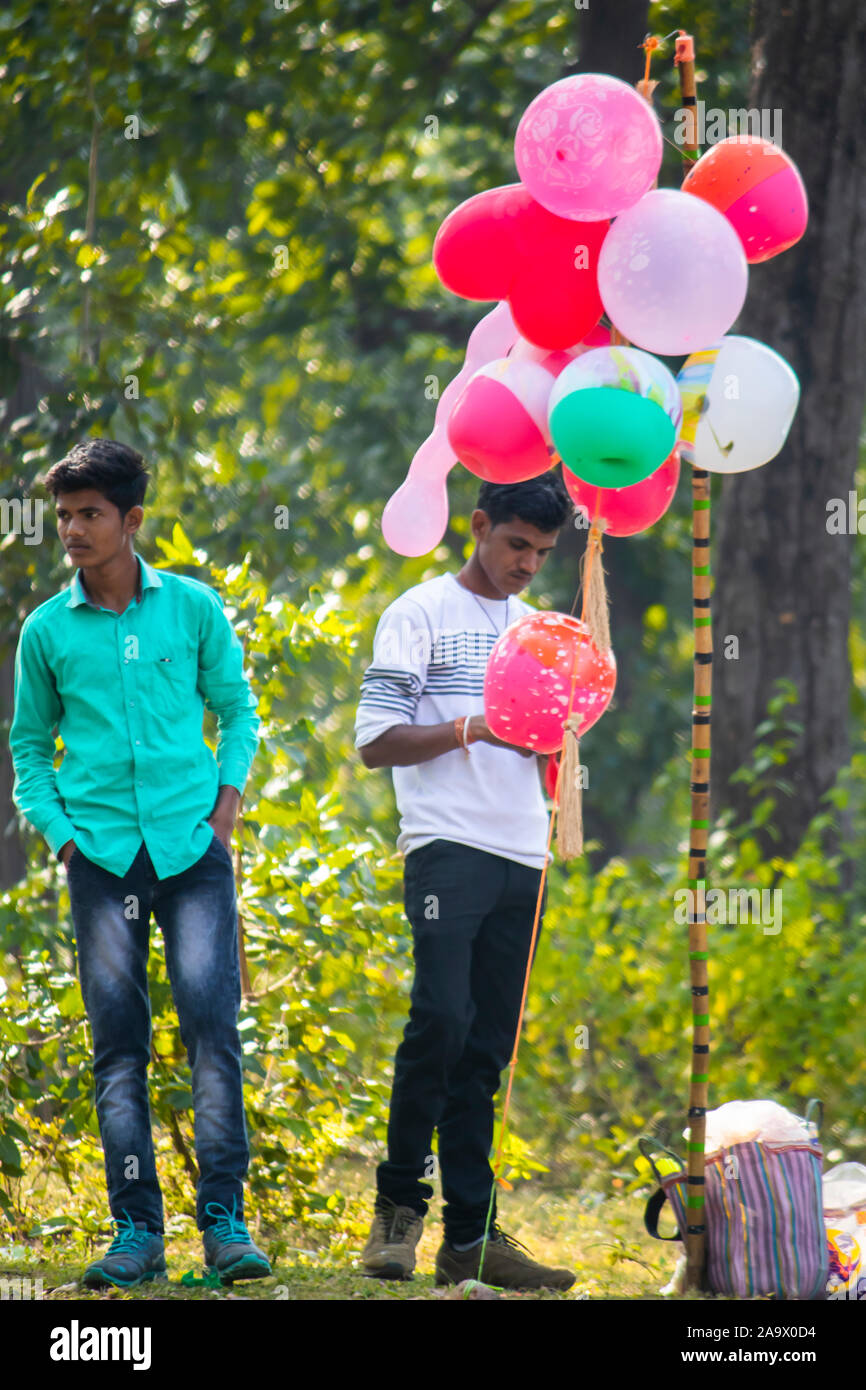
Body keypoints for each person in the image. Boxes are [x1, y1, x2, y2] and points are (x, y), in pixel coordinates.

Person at [9, 438, 270, 1289]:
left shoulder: (191, 609)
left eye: (91, 514)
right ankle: (136, 1234)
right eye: (65, 516)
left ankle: (225, 1227)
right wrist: (65, 838)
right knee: (117, 1048)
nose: (75, 530)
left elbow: (237, 710)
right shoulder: (46, 632)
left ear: (133, 520)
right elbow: (27, 750)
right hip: (102, 861)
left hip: (193, 853)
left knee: (210, 1031)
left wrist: (226, 805)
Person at [354, 473, 576, 1290]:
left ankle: (470, 1241)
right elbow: (376, 740)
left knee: (485, 1050)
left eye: (543, 553)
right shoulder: (419, 613)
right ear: (479, 525)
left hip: (525, 854)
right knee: (440, 1021)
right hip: (446, 844)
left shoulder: (544, 631)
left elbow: (556, 741)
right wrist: (474, 726)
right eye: (516, 543)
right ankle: (396, 1214)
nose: (527, 564)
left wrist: (558, 736)